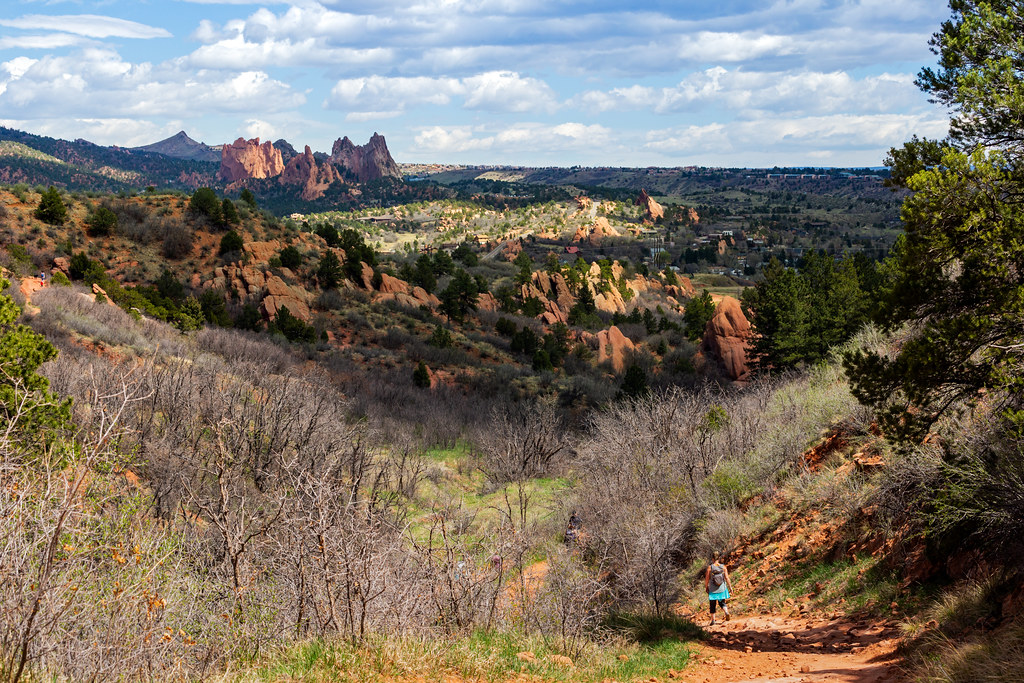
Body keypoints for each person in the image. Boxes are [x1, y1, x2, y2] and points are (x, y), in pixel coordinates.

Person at [705, 553, 732, 625]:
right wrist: (730, 587)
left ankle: (713, 620)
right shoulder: (723, 567)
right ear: (719, 558)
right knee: (722, 602)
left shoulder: (710, 568)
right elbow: (727, 578)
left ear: (712, 558)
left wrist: (706, 587)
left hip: (713, 589)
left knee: (712, 604)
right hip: (721, 588)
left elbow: (707, 579)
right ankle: (726, 612)